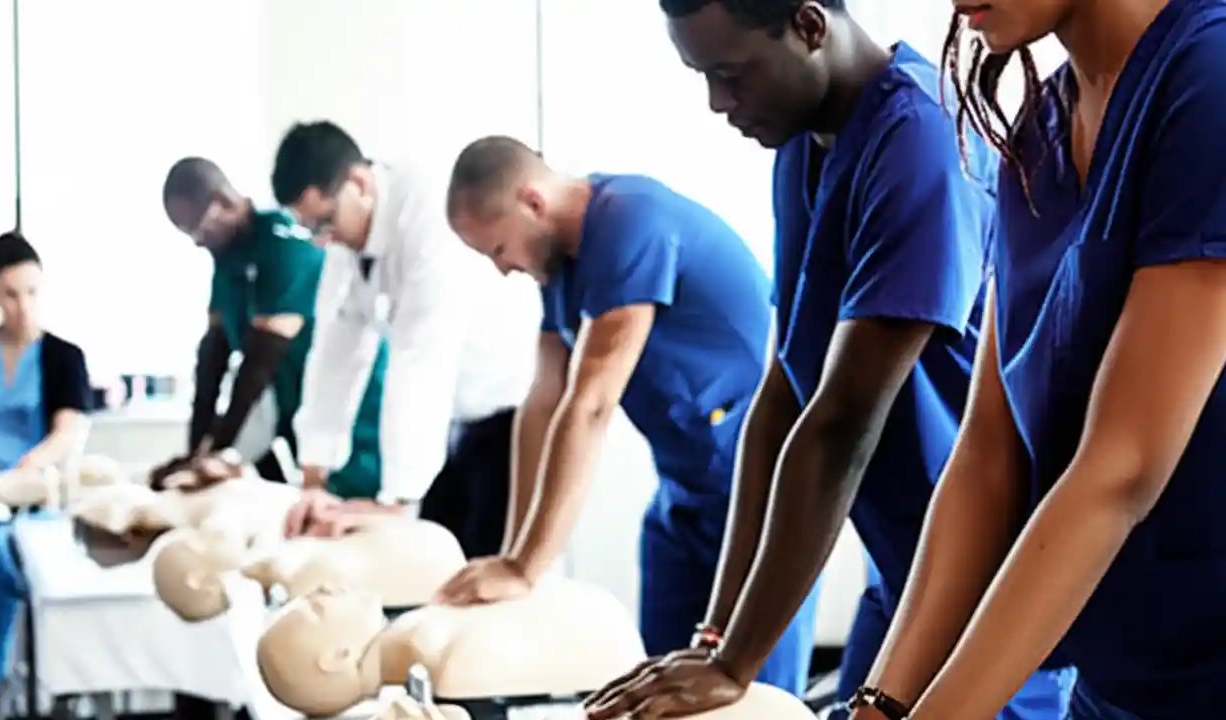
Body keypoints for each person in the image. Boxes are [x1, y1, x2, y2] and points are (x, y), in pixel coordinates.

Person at [582, 2, 1077, 719]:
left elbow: (842, 420)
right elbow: (784, 390)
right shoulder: (805, 145)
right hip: (905, 565)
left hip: (986, 573)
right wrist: (715, 634)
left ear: (811, 27)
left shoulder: (919, 140)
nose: (720, 103)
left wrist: (733, 663)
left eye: (731, 74)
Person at [846, 0, 1226, 718]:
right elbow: (988, 452)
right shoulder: (1040, 130)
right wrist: (880, 705)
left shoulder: (1210, 78)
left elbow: (1122, 468)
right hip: (1119, 685)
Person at [434, 136, 820, 696]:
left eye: (497, 250)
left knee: (752, 697)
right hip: (684, 491)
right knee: (654, 690)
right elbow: (543, 404)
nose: (503, 269)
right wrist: (510, 558)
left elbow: (590, 404)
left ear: (532, 202)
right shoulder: (557, 268)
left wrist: (525, 568)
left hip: (759, 489)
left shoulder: (629, 220)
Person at [270, 121, 540, 557]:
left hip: (511, 414)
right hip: (453, 423)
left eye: (325, 221)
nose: (322, 241)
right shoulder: (344, 243)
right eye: (310, 230)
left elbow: (421, 358)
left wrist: (396, 501)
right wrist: (313, 480)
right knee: (436, 570)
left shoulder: (427, 211)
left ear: (358, 183)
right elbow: (333, 358)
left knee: (488, 576)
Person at [156, 156, 389, 498]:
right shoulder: (226, 259)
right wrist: (195, 453)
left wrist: (216, 451)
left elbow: (257, 366)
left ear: (225, 202)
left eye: (200, 229)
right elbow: (212, 361)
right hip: (297, 415)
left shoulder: (281, 240)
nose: (198, 242)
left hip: (353, 414)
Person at [0, 232, 91, 720]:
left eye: (32, 292)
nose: (24, 306)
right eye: (11, 294)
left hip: (31, 500)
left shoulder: (63, 357)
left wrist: (31, 467)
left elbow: (68, 431)